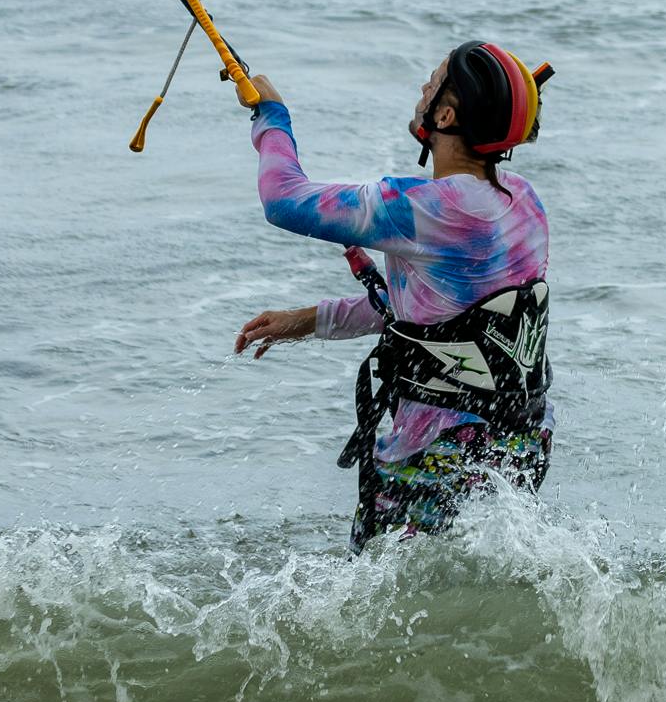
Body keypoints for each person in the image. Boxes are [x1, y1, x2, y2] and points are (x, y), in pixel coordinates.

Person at [232, 44, 555, 551]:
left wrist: (271, 116)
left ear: (446, 115)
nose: (423, 91)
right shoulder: (524, 203)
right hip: (522, 440)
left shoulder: (418, 208)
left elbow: (283, 200)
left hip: (439, 449)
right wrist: (308, 321)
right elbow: (441, 321)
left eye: (432, 83)